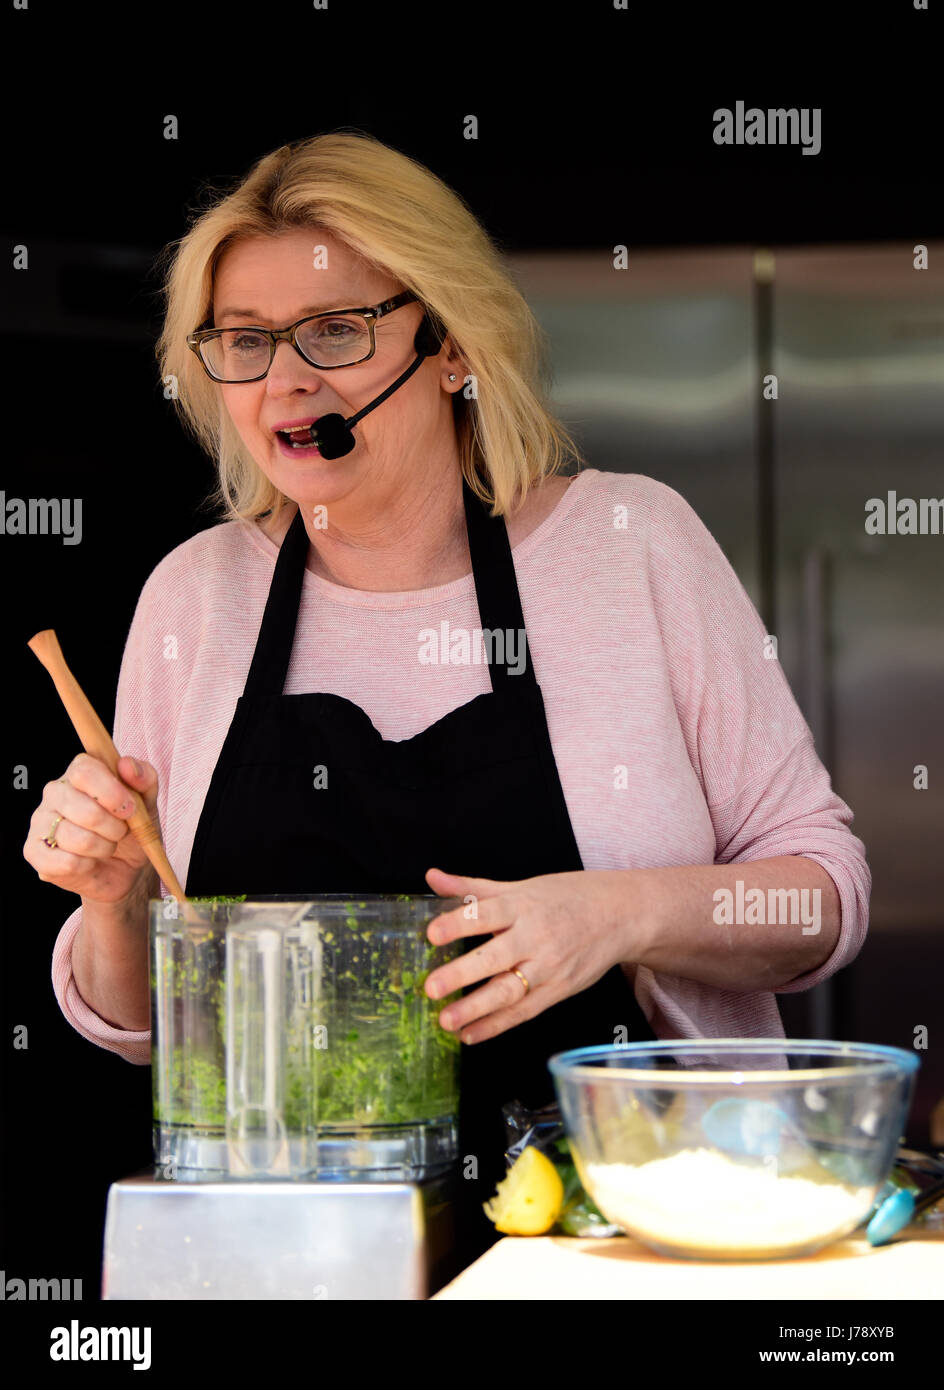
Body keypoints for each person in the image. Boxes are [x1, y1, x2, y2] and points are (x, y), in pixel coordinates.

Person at [23, 130, 871, 1268]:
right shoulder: (195, 598)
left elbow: (820, 900)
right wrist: (112, 899)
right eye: (243, 341)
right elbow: (138, 1028)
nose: (284, 381)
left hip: (624, 1235)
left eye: (333, 329)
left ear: (449, 345)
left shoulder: (629, 545)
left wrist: (613, 913)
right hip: (286, 1259)